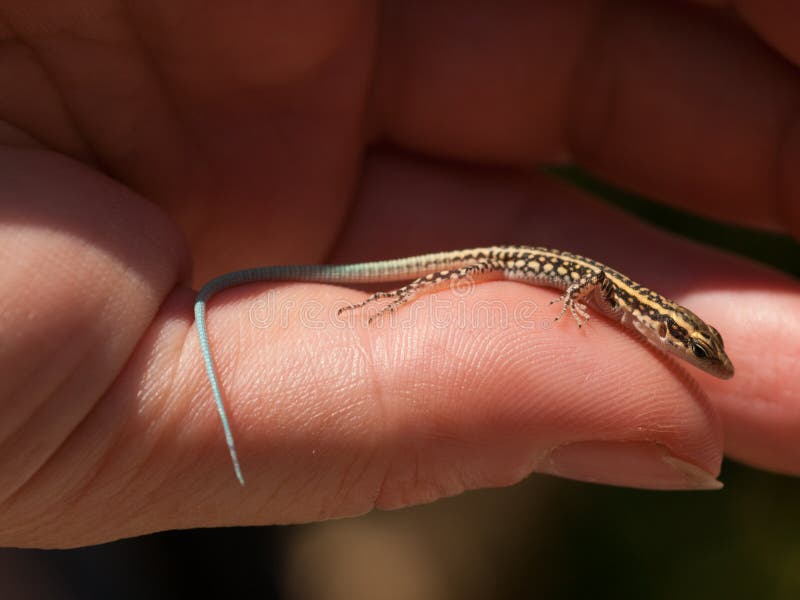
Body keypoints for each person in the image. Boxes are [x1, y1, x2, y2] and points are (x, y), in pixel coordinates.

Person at [1, 1, 797, 548]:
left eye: (700, 354)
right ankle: (404, 294)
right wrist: (569, 305)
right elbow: (582, 287)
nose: (701, 359)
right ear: (669, 327)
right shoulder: (616, 297)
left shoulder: (638, 306)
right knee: (442, 283)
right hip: (506, 259)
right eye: (700, 349)